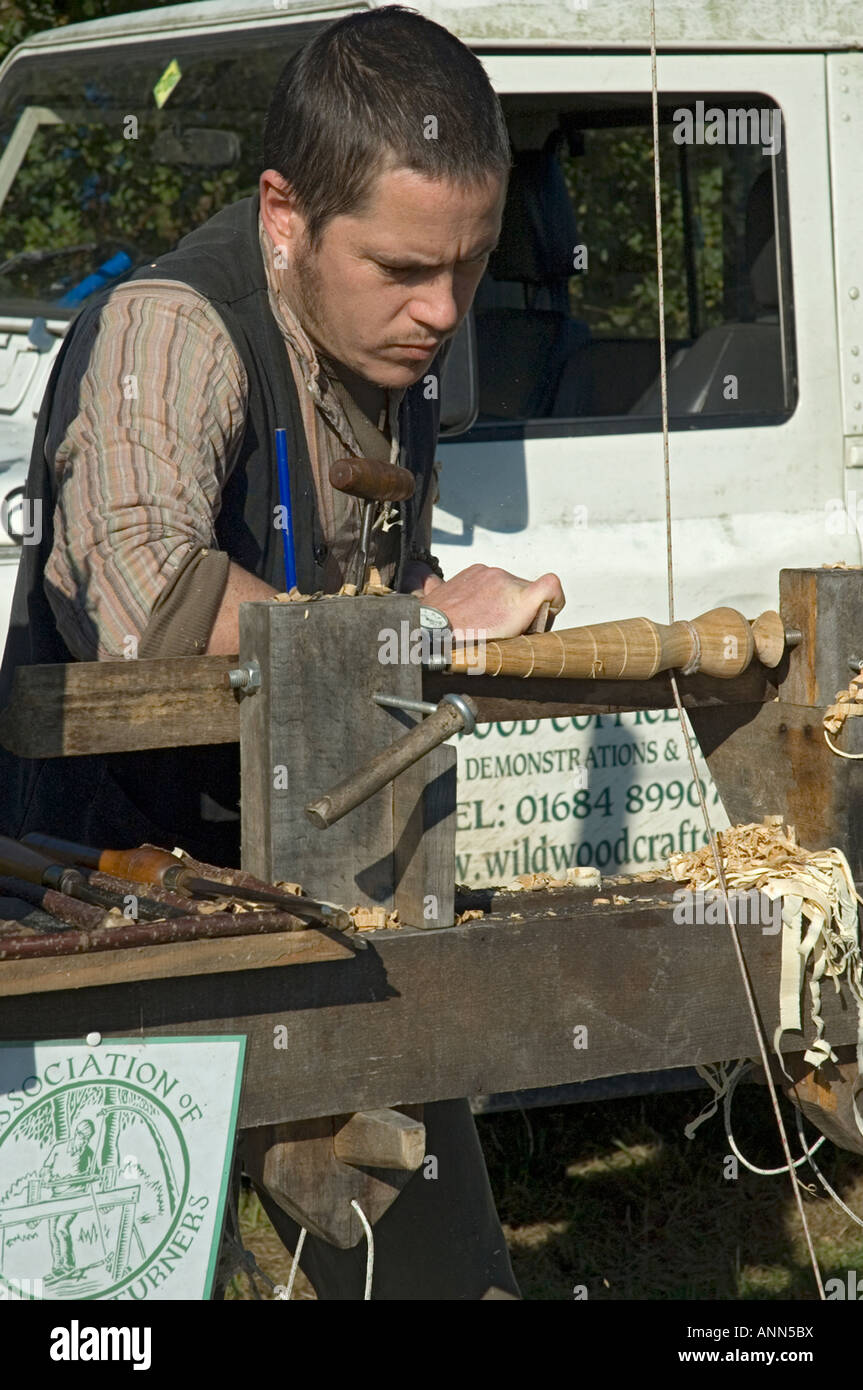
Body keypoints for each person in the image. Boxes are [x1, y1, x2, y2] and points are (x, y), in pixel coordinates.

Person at [0, 5, 564, 1298]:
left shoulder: (384, 352)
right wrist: (424, 625)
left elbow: (331, 595)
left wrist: (443, 600)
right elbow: (144, 594)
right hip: (114, 922)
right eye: (403, 267)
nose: (441, 310)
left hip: (334, 902)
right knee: (113, 1288)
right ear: (283, 212)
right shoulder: (172, 326)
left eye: (469, 266)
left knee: (444, 1277)